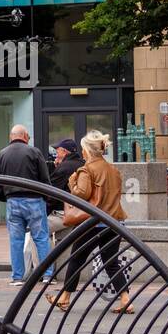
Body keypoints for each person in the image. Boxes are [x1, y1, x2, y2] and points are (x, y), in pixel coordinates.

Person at [46, 131, 134, 315]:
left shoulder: (87, 169)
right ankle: (125, 298)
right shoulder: (113, 170)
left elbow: (82, 194)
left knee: (76, 258)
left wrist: (72, 183)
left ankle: (65, 298)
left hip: (94, 223)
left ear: (87, 150)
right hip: (115, 221)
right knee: (111, 261)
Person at [0, 124, 52, 286]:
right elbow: (44, 178)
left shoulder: (1, 154)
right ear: (25, 136)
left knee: (16, 240)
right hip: (34, 199)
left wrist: (4, 197)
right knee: (41, 238)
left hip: (13, 200)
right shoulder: (34, 152)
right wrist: (46, 198)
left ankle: (17, 276)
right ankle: (47, 275)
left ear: (11, 137)